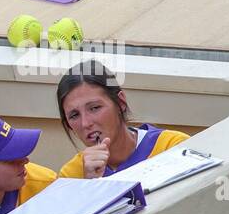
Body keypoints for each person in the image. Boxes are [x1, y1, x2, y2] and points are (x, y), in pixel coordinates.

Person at [56, 60, 189, 178]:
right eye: (74, 116)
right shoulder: (72, 175)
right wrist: (90, 186)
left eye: (95, 108)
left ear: (120, 102)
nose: (86, 123)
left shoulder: (173, 147)